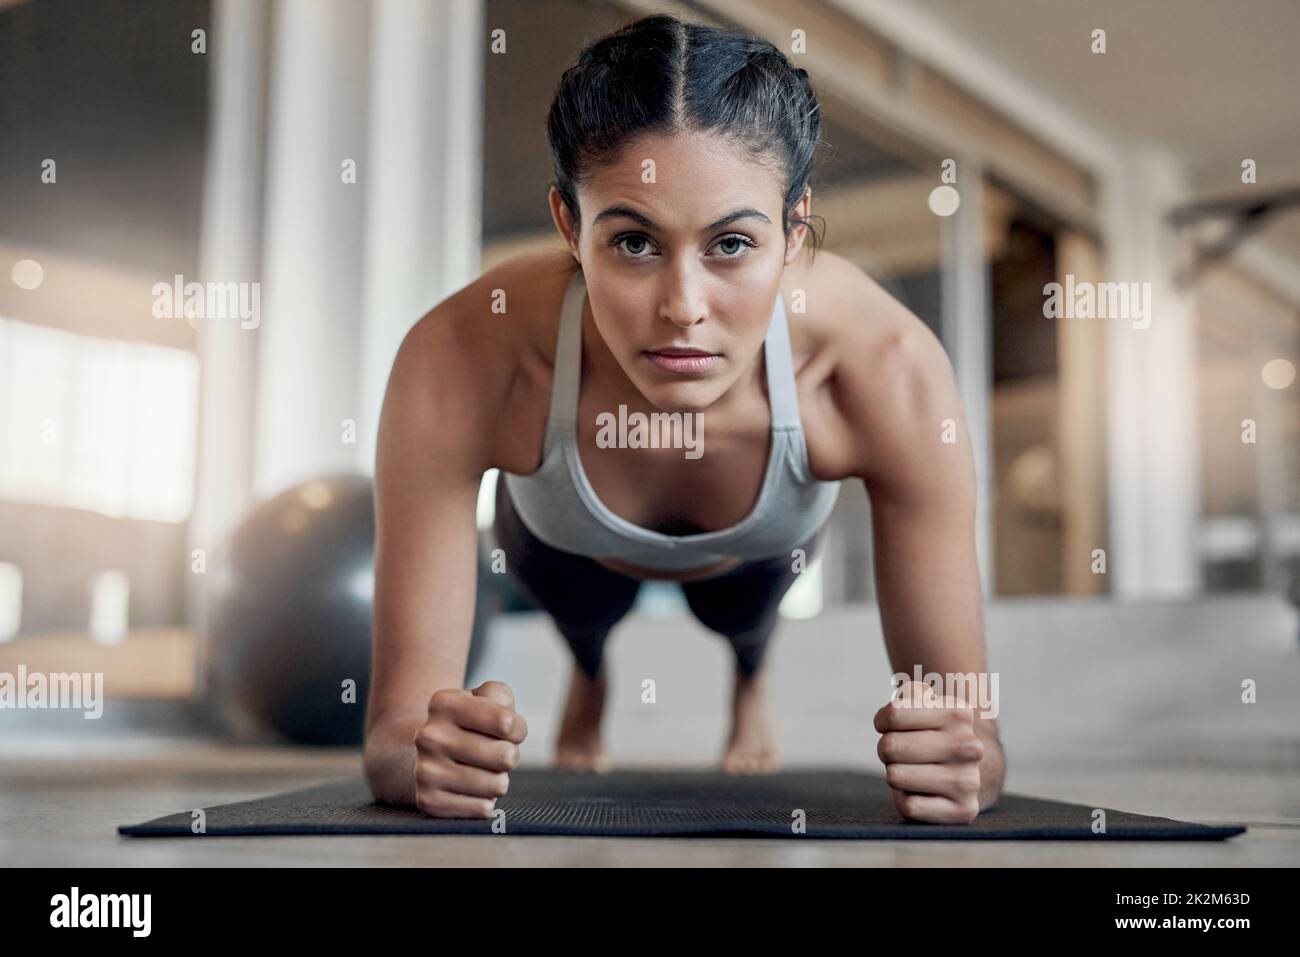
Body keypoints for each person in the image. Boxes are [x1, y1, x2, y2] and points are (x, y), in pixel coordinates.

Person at [363, 14, 1004, 824]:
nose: (683, 309)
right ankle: (589, 673)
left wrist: (963, 760)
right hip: (565, 546)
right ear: (569, 226)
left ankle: (750, 678)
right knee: (582, 610)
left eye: (732, 243)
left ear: (794, 228)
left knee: (743, 614)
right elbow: (393, 732)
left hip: (757, 556)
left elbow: (977, 736)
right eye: (634, 242)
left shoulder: (886, 368)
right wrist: (419, 752)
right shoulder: (459, 356)